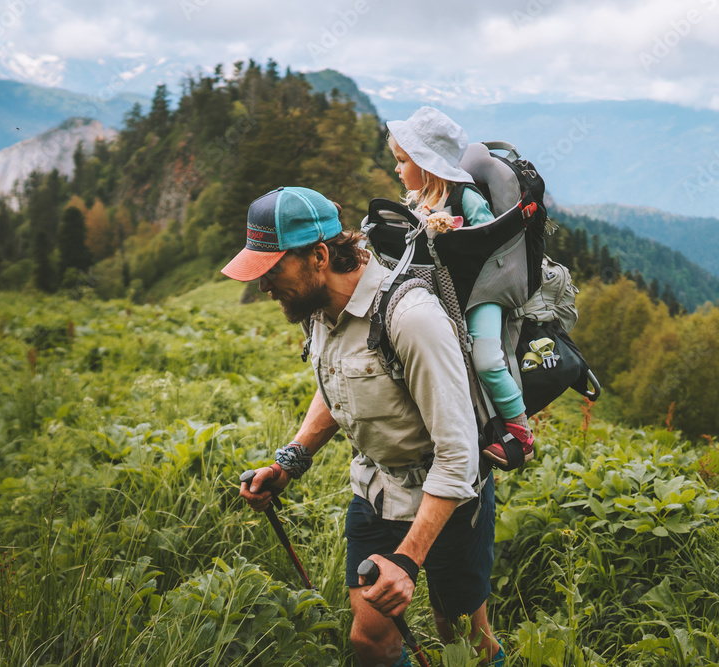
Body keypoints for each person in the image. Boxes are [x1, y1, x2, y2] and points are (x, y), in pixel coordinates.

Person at [223, 186, 504, 667]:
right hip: (375, 489)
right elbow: (340, 385)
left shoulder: (411, 318)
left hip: (449, 499)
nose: (264, 286)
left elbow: (459, 456)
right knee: (369, 640)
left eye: (273, 269)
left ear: (318, 255)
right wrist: (291, 460)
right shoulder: (318, 310)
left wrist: (408, 561)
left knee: (459, 635)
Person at [386, 106, 534, 469]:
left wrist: (454, 230)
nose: (397, 169)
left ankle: (522, 431)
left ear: (427, 164)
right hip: (447, 289)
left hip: (483, 289)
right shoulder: (421, 202)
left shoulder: (465, 198)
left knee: (485, 361)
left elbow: (491, 238)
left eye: (403, 161)